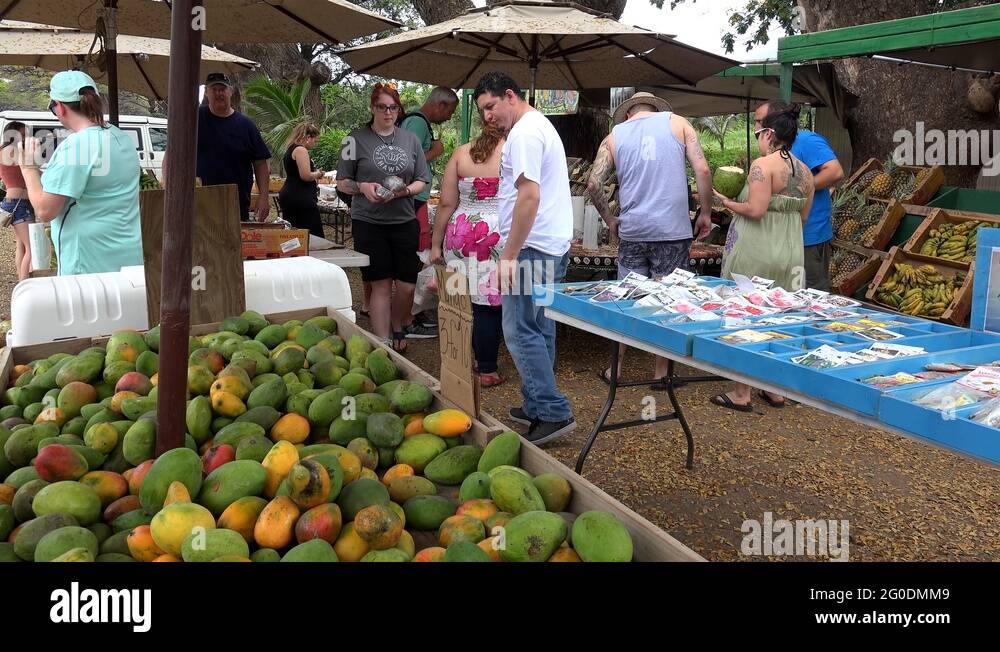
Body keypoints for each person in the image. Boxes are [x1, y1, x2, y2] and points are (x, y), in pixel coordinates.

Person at [475, 71, 576, 444]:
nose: (488, 116)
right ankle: (536, 404)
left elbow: (529, 196)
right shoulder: (537, 127)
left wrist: (509, 255)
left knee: (518, 330)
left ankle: (552, 411)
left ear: (510, 95)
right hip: (549, 247)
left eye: (490, 106)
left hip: (532, 248)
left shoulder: (524, 134)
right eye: (483, 111)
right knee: (541, 326)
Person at [587, 92, 713, 386]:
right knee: (666, 299)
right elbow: (703, 169)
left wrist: (610, 220)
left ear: (629, 114)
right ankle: (661, 373)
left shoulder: (615, 136)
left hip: (632, 231)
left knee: (628, 297)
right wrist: (704, 213)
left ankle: (615, 369)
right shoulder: (678, 123)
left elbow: (594, 183)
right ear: (655, 109)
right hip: (672, 231)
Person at [710, 102, 815, 413]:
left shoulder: (762, 165)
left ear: (769, 133)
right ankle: (774, 389)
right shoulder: (806, 172)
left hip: (756, 250)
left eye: (758, 132)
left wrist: (727, 202)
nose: (758, 138)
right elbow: (805, 217)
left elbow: (755, 210)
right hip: (791, 251)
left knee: (743, 313)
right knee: (779, 318)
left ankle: (741, 392)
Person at [18, 71, 143, 276]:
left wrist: (28, 167)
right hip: (129, 262)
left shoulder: (76, 147)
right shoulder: (120, 137)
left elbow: (45, 210)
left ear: (59, 107)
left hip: (89, 265)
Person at [336, 82, 431, 353]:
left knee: (406, 285)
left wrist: (405, 191)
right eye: (382, 107)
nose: (388, 112)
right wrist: (362, 187)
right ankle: (382, 343)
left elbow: (422, 180)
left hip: (403, 219)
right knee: (380, 284)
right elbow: (342, 181)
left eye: (393, 107)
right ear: (372, 107)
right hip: (369, 221)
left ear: (398, 110)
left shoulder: (410, 140)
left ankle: (398, 323)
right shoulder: (352, 140)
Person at [430, 120, 507, 387]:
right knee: (488, 303)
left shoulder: (461, 153)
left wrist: (435, 244)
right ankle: (487, 369)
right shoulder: (515, 152)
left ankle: (458, 361)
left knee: (459, 299)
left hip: (460, 234)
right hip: (497, 234)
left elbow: (446, 202)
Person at [754, 101, 844, 291]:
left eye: (760, 122)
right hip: (780, 239)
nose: (757, 128)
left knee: (811, 294)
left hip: (808, 237)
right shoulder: (770, 151)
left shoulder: (806, 140)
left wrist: (799, 189)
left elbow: (835, 172)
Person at [165, 72, 271, 221]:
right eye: (214, 89)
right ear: (207, 93)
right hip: (197, 203)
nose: (218, 93)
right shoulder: (192, 120)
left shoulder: (246, 126)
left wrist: (264, 197)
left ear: (231, 92)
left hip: (236, 204)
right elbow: (171, 155)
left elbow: (260, 163)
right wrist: (168, 192)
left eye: (222, 89)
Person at [399, 86, 460, 340]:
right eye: (450, 111)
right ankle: (407, 317)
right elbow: (406, 160)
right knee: (414, 255)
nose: (449, 117)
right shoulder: (418, 123)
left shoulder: (418, 123)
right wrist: (436, 151)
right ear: (441, 105)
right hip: (411, 200)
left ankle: (413, 312)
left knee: (416, 254)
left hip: (414, 199)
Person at [1, 121, 35, 280]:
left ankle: (21, 283)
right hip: (20, 203)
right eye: (23, 134)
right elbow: (34, 171)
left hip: (11, 202)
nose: (26, 137)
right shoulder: (17, 152)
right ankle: (24, 287)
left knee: (21, 246)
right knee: (31, 247)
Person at [278, 122, 325, 238]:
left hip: (292, 194)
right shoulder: (301, 150)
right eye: (315, 140)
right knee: (312, 233)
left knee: (294, 233)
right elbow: (305, 175)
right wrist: (317, 174)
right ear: (308, 138)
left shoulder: (290, 149)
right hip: (299, 197)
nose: (315, 143)